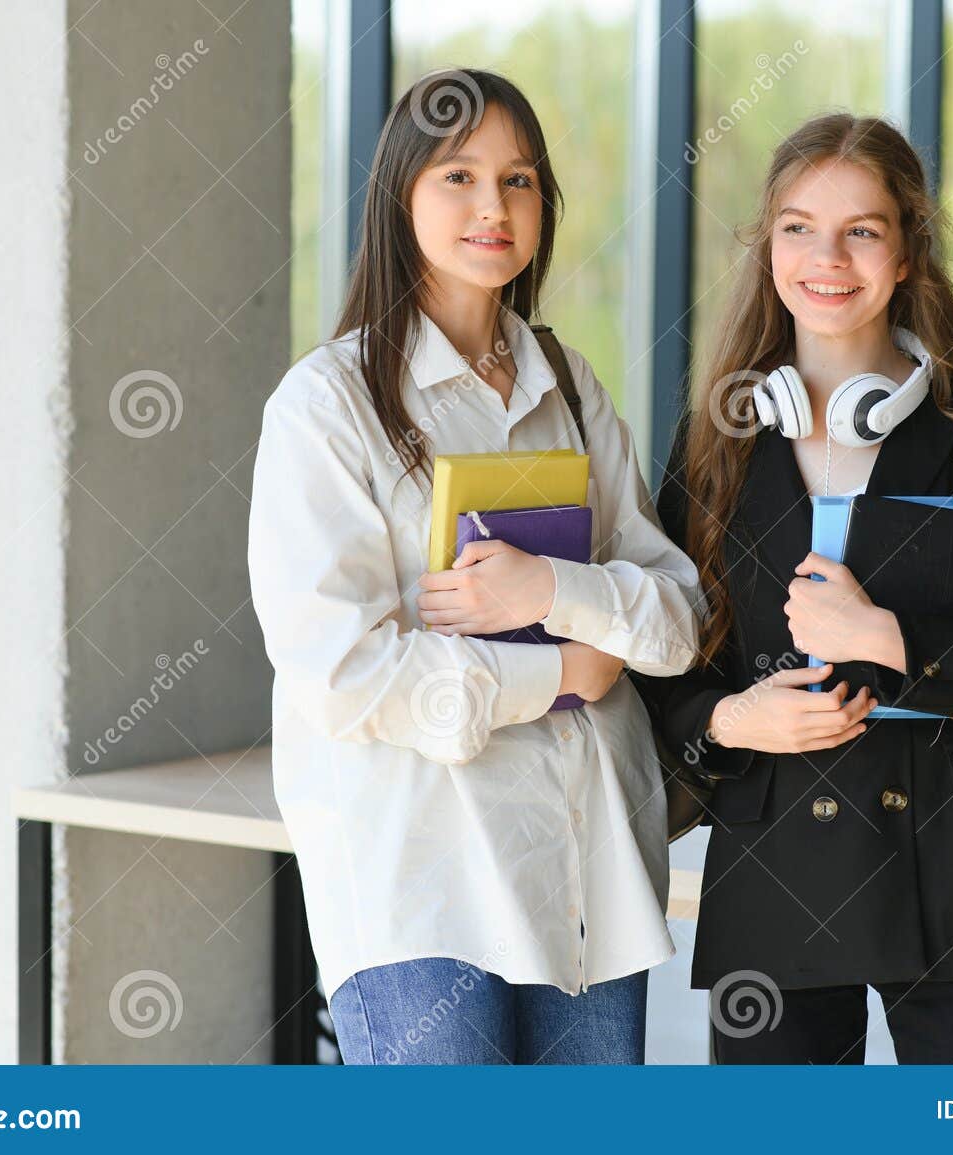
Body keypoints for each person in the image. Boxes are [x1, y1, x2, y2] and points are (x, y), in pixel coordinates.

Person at [632, 113, 953, 1065]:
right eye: (798, 226)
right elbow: (656, 669)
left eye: (862, 229)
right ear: (766, 244)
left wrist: (895, 639)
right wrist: (732, 721)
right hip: (774, 879)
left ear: (906, 254)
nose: (828, 256)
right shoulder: (716, 443)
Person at [247, 69, 700, 1065]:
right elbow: (341, 673)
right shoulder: (328, 407)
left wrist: (553, 592)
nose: (494, 207)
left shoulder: (571, 387)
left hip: (585, 881)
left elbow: (673, 621)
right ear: (400, 195)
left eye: (521, 179)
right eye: (459, 176)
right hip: (421, 884)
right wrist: (560, 671)